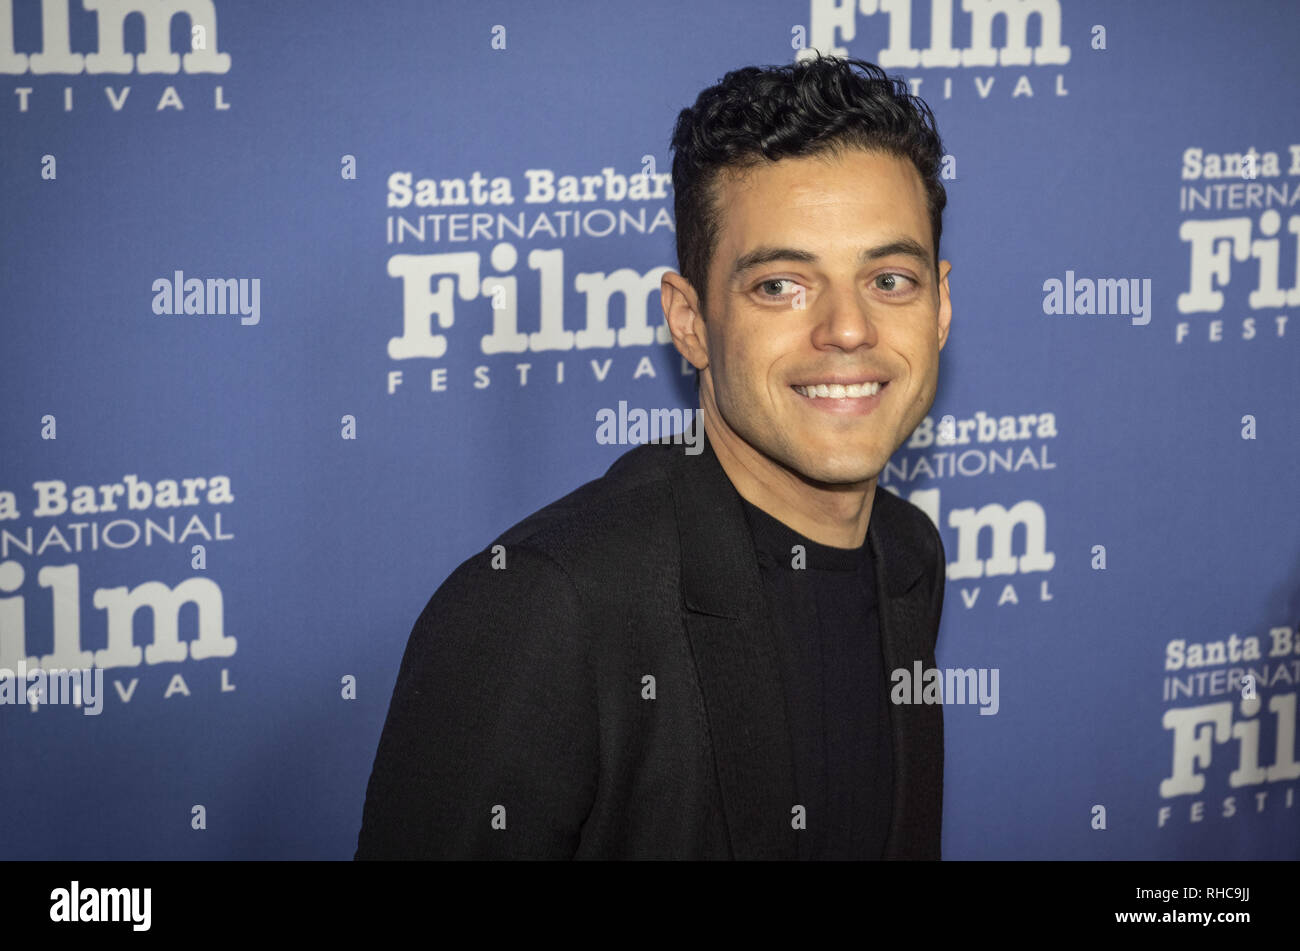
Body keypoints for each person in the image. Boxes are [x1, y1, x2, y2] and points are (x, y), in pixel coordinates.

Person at [356, 54, 953, 860]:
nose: (847, 329)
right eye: (780, 285)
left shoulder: (909, 553)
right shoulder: (543, 609)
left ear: (940, 305)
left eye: (889, 278)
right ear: (689, 321)